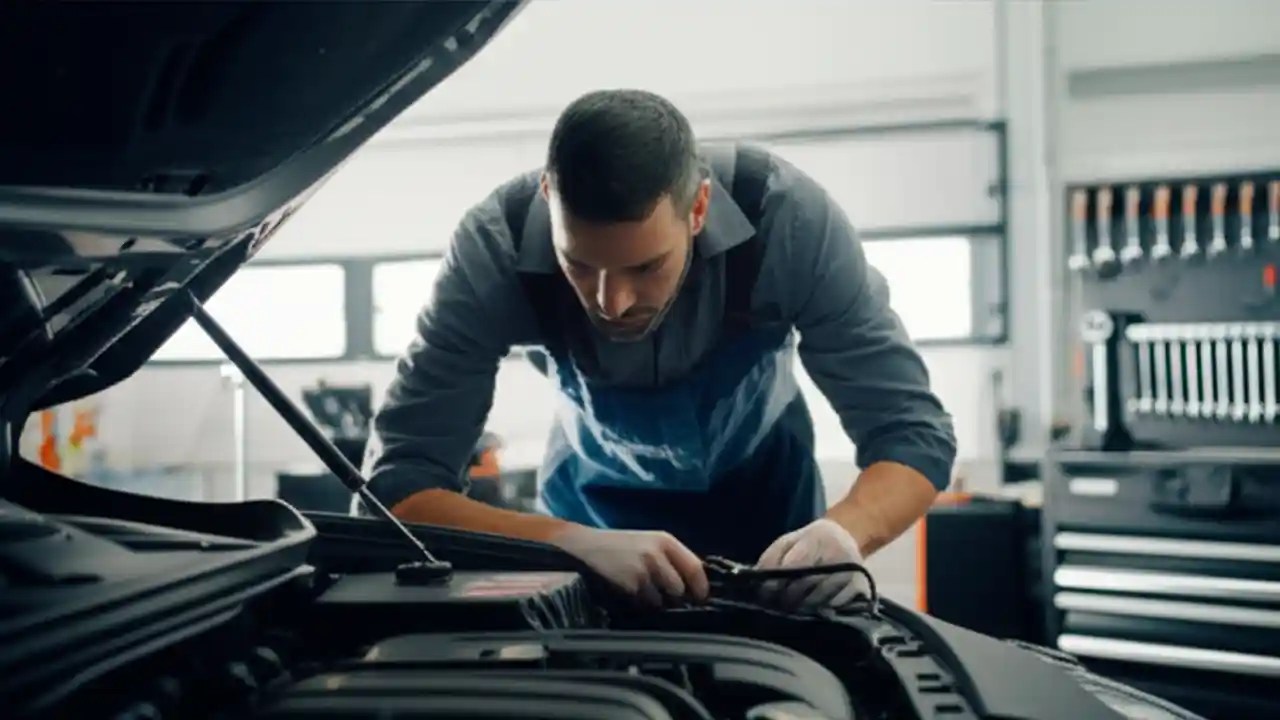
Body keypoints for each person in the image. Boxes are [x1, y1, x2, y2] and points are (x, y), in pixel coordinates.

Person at [359, 89, 956, 612]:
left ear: (698, 209)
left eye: (645, 267)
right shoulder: (495, 246)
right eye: (580, 264)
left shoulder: (788, 221)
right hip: (584, 511)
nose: (612, 301)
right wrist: (570, 543)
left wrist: (847, 533)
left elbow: (913, 434)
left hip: (771, 512)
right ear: (548, 198)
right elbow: (398, 488)